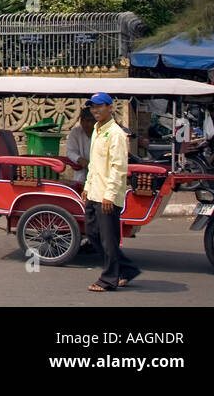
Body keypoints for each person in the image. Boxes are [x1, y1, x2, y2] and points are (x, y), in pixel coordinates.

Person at [84, 92, 142, 292]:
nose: (95, 110)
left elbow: (118, 168)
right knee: (93, 235)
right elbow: (94, 163)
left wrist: (109, 194)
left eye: (99, 106)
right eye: (93, 107)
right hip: (94, 192)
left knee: (108, 240)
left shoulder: (116, 134)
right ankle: (127, 269)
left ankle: (109, 279)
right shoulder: (96, 130)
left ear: (110, 107)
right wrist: (87, 186)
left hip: (108, 196)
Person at [65, 106, 94, 187]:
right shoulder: (76, 132)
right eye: (83, 121)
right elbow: (70, 151)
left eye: (88, 121)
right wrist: (79, 159)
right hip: (81, 175)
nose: (85, 124)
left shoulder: (102, 133)